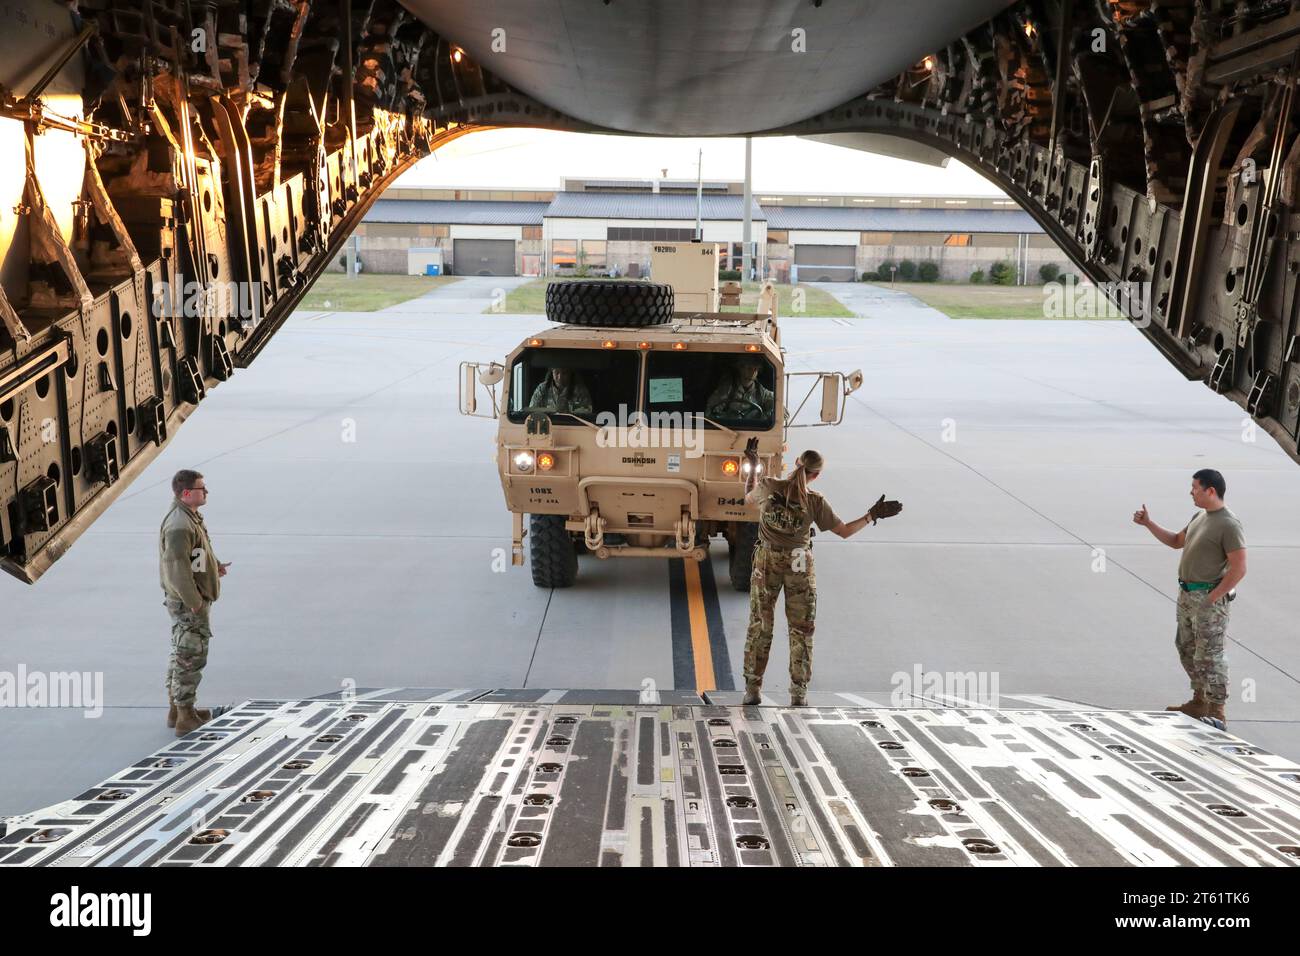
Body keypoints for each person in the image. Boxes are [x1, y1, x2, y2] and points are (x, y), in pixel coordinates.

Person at [741, 448, 902, 706]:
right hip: (799, 564)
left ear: (795, 464)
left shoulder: (769, 487)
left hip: (767, 562)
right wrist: (872, 514)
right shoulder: (815, 501)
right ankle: (798, 694)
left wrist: (753, 467)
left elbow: (748, 497)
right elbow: (845, 531)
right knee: (801, 630)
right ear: (816, 475)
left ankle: (752, 690)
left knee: (761, 624)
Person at [1133, 468, 1247, 728]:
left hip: (1208, 597)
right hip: (1187, 595)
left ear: (1210, 490)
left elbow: (1239, 567)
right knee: (1186, 648)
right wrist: (1149, 523)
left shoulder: (1228, 523)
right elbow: (1175, 541)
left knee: (1211, 654)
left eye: (1195, 487)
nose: (1191, 492)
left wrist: (1212, 598)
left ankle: (1217, 710)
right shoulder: (1200, 516)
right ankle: (1199, 701)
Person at [160, 470, 230, 736]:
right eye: (202, 488)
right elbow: (177, 567)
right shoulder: (180, 524)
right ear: (186, 493)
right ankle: (185, 716)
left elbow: (195, 555)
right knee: (191, 655)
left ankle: (177, 709)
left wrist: (214, 566)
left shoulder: (187, 517)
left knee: (181, 652)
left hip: (188, 600)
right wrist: (194, 602)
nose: (206, 492)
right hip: (189, 603)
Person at [706, 354, 775, 421]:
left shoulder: (760, 391)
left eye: (756, 369)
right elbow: (712, 409)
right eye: (749, 368)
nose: (753, 372)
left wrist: (777, 408)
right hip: (730, 429)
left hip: (752, 430)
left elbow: (774, 400)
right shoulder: (727, 388)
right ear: (741, 368)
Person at [528, 367, 593, 414]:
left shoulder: (580, 390)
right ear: (552, 372)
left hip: (573, 426)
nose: (560, 377)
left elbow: (587, 413)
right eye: (557, 372)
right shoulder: (542, 389)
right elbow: (532, 410)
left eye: (564, 373)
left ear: (570, 373)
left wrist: (568, 408)